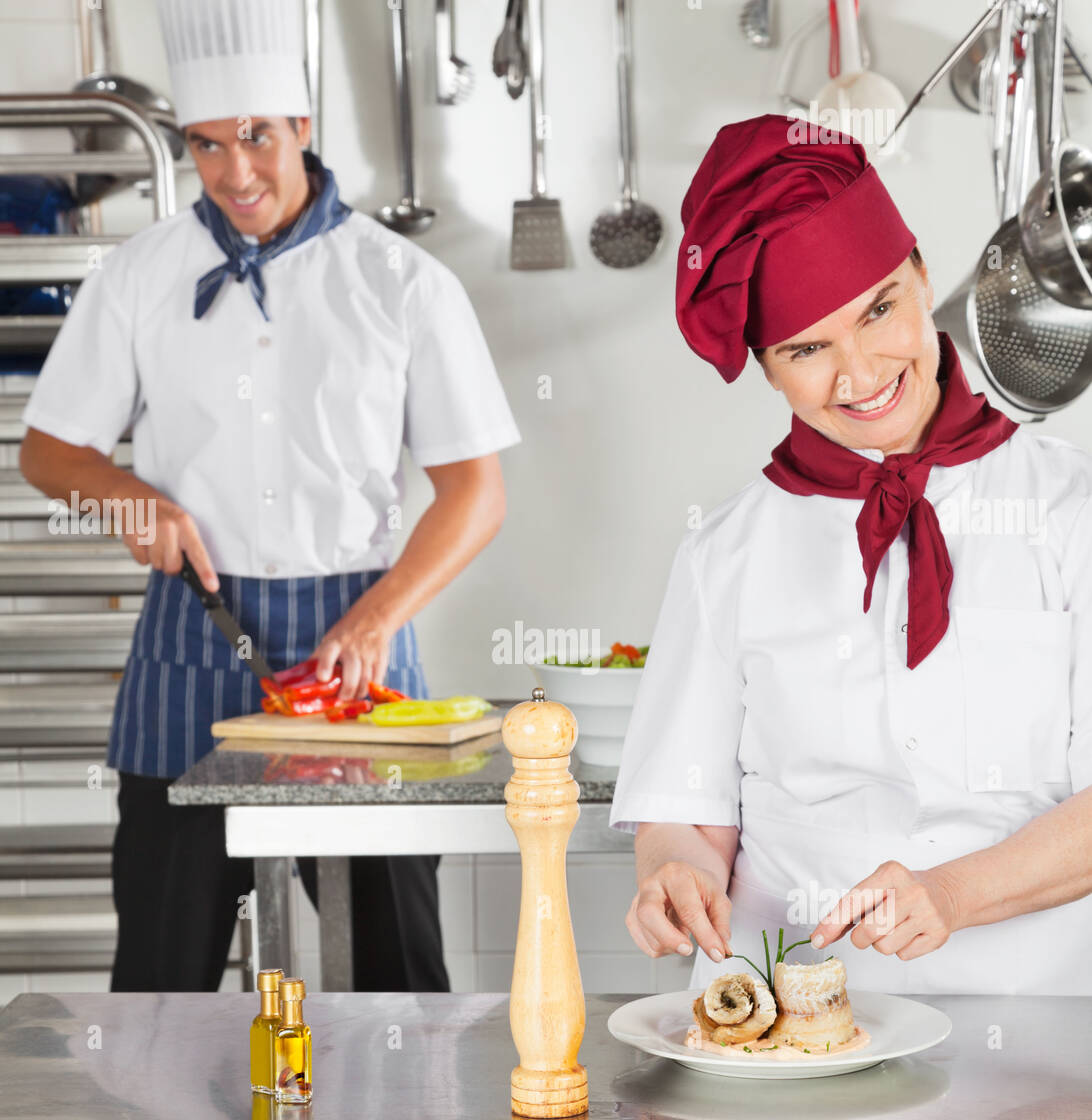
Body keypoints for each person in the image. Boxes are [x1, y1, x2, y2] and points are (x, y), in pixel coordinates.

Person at [19, 0, 520, 992]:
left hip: (359, 641)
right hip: (191, 636)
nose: (235, 172)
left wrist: (379, 618)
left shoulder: (401, 282)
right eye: (206, 144)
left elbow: (476, 491)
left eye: (256, 136)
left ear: (301, 126)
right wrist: (129, 499)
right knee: (162, 978)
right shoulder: (138, 276)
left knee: (397, 978)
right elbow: (49, 451)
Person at [610, 114, 1092, 995]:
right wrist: (673, 875)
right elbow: (686, 812)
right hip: (788, 1029)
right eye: (807, 348)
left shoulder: (1073, 512)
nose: (863, 372)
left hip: (1040, 1033)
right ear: (765, 367)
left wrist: (952, 893)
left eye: (879, 310)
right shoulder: (726, 554)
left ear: (920, 275)